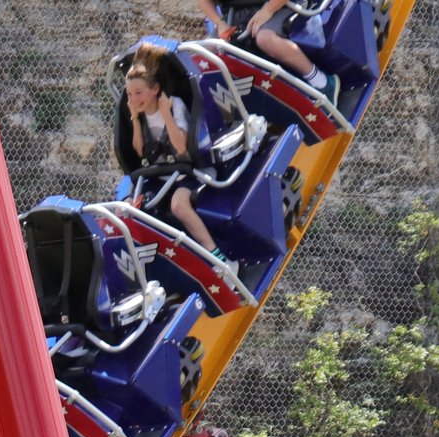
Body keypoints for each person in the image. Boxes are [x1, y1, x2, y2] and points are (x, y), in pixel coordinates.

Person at [120, 46, 218, 251]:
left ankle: (214, 252)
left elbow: (181, 147)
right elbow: (140, 152)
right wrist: (136, 120)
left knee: (178, 205)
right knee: (127, 208)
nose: (134, 98)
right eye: (130, 94)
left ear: (155, 90)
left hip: (189, 171)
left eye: (138, 92)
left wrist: (166, 113)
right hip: (159, 175)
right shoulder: (138, 115)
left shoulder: (175, 105)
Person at [213, 0, 341, 102]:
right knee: (207, 51)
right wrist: (219, 23)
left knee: (265, 39)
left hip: (279, 6)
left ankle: (323, 83)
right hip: (236, 16)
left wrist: (267, 10)